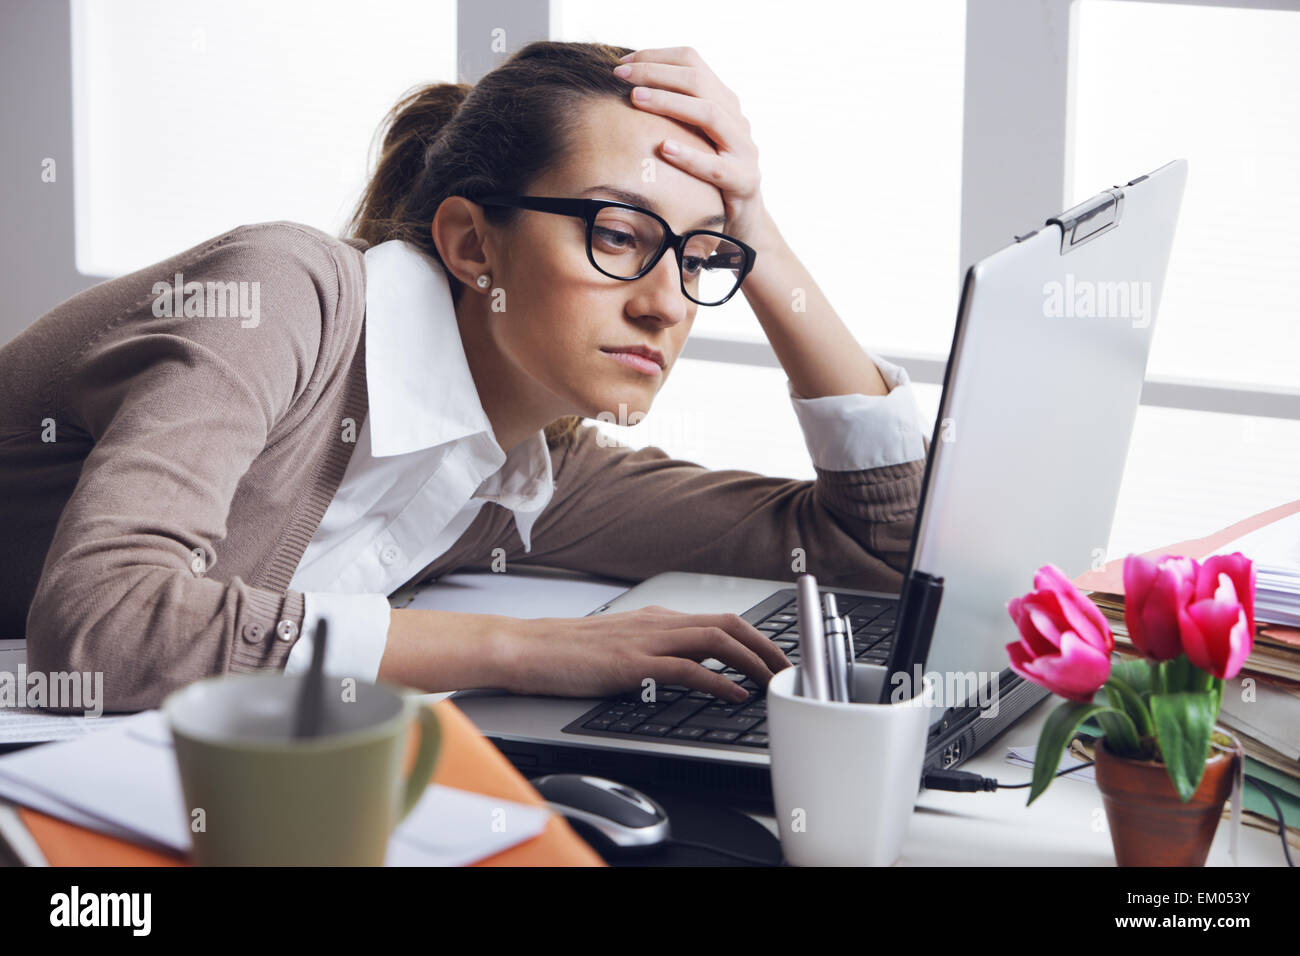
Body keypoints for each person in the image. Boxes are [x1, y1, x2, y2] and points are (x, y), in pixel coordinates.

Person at [0, 41, 928, 713]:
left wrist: (758, 233)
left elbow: (878, 552)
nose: (667, 303)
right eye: (617, 235)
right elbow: (104, 627)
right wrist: (525, 651)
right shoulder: (279, 294)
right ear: (471, 244)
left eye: (700, 257)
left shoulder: (524, 469)